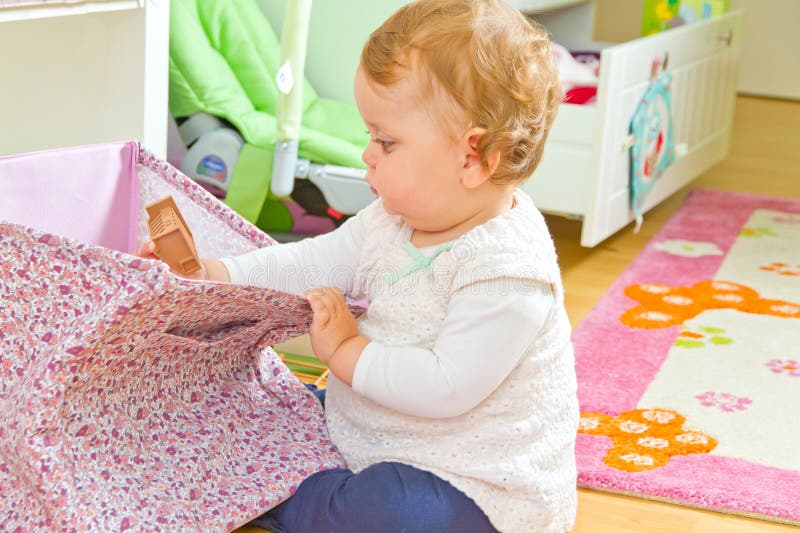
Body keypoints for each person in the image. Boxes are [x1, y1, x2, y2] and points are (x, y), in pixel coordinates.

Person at [142, 0, 578, 530]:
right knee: (271, 405)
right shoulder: (389, 220)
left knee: (401, 515)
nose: (367, 154)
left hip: (475, 486)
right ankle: (286, 463)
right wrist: (214, 274)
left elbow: (445, 385)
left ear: (472, 158)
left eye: (386, 141)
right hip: (376, 426)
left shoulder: (507, 270)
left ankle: (289, 492)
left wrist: (348, 351)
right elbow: (308, 261)